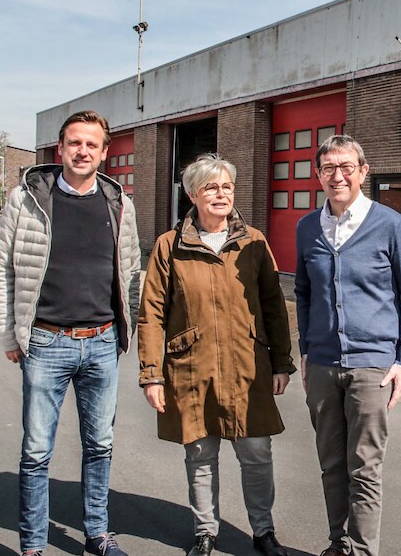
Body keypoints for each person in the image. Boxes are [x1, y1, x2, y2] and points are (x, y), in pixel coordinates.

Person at [0, 110, 142, 556]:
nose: (82, 151)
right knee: (37, 451)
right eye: (74, 143)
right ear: (61, 148)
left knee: (100, 445)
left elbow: (130, 270)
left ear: (105, 152)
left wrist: (124, 330)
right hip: (44, 342)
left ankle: (97, 534)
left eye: (91, 144)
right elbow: (3, 268)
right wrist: (8, 335)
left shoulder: (119, 203)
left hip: (100, 342)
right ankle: (34, 545)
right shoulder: (27, 198)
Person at [137, 154, 296, 556]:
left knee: (257, 453)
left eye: (227, 186)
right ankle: (205, 533)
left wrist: (281, 361)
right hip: (192, 367)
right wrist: (151, 373)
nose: (221, 194)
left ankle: (263, 531)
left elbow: (274, 305)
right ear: (193, 194)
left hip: (248, 366)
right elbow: (151, 314)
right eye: (211, 187)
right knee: (200, 452)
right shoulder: (169, 246)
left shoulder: (254, 242)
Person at [294, 135, 401, 556]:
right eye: (328, 168)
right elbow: (303, 292)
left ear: (363, 172)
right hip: (322, 364)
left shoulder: (390, 225)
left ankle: (362, 550)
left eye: (346, 167)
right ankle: (338, 544)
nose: (338, 176)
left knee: (364, 467)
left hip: (373, 366)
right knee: (331, 464)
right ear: (318, 175)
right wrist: (305, 349)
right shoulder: (307, 227)